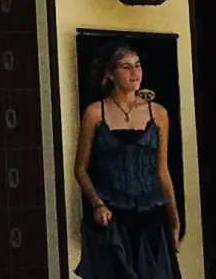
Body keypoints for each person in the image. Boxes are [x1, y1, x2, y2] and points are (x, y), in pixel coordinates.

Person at [74, 46, 182, 279]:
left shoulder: (159, 113)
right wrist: (97, 204)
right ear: (110, 74)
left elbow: (163, 170)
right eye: (126, 66)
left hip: (152, 212)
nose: (135, 72)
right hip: (114, 215)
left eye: (138, 64)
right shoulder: (95, 113)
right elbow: (81, 169)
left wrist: (175, 220)